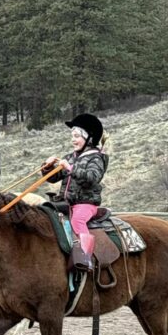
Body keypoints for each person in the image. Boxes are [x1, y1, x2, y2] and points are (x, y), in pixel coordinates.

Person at [42, 113, 109, 272]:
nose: (73, 139)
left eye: (77, 136)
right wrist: (47, 167)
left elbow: (93, 177)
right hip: (65, 203)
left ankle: (85, 258)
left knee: (78, 220)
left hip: (86, 203)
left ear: (89, 138)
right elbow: (53, 178)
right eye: (72, 136)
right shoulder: (70, 157)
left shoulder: (97, 158)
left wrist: (70, 169)